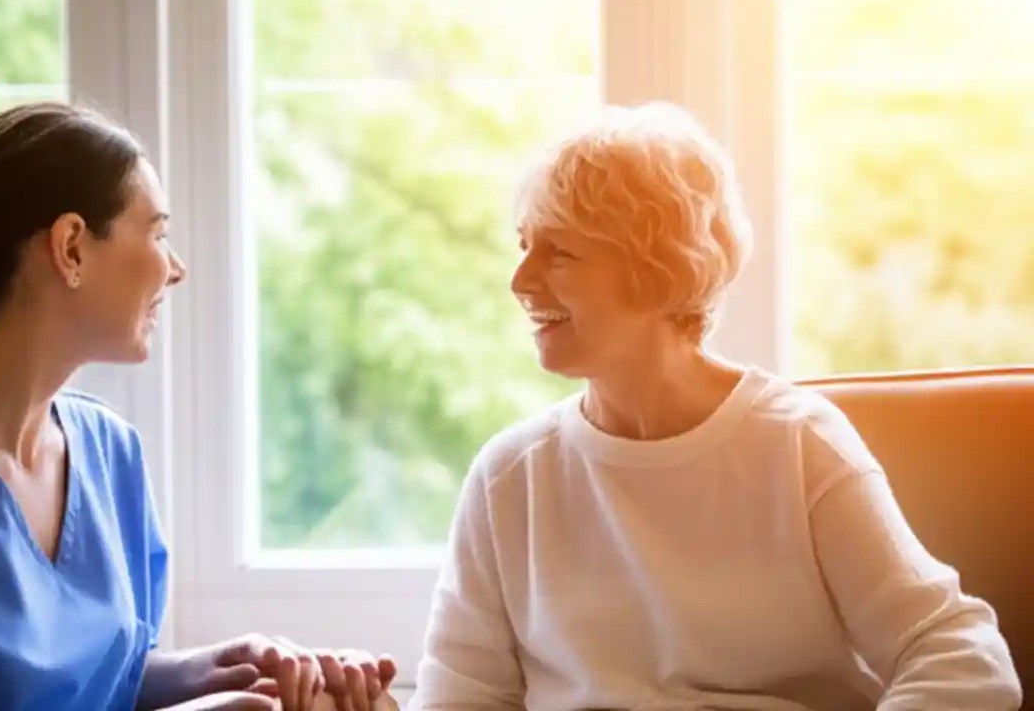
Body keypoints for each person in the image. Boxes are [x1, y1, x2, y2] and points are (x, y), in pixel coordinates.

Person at [0, 102, 396, 711]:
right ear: (70, 248)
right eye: (157, 233)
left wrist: (224, 667)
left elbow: (95, 683)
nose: (175, 268)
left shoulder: (110, 449)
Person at [411, 102, 1022, 709]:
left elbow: (959, 657)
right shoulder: (510, 477)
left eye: (559, 253)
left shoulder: (798, 445)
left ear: (656, 268)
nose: (521, 281)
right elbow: (458, 697)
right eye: (523, 245)